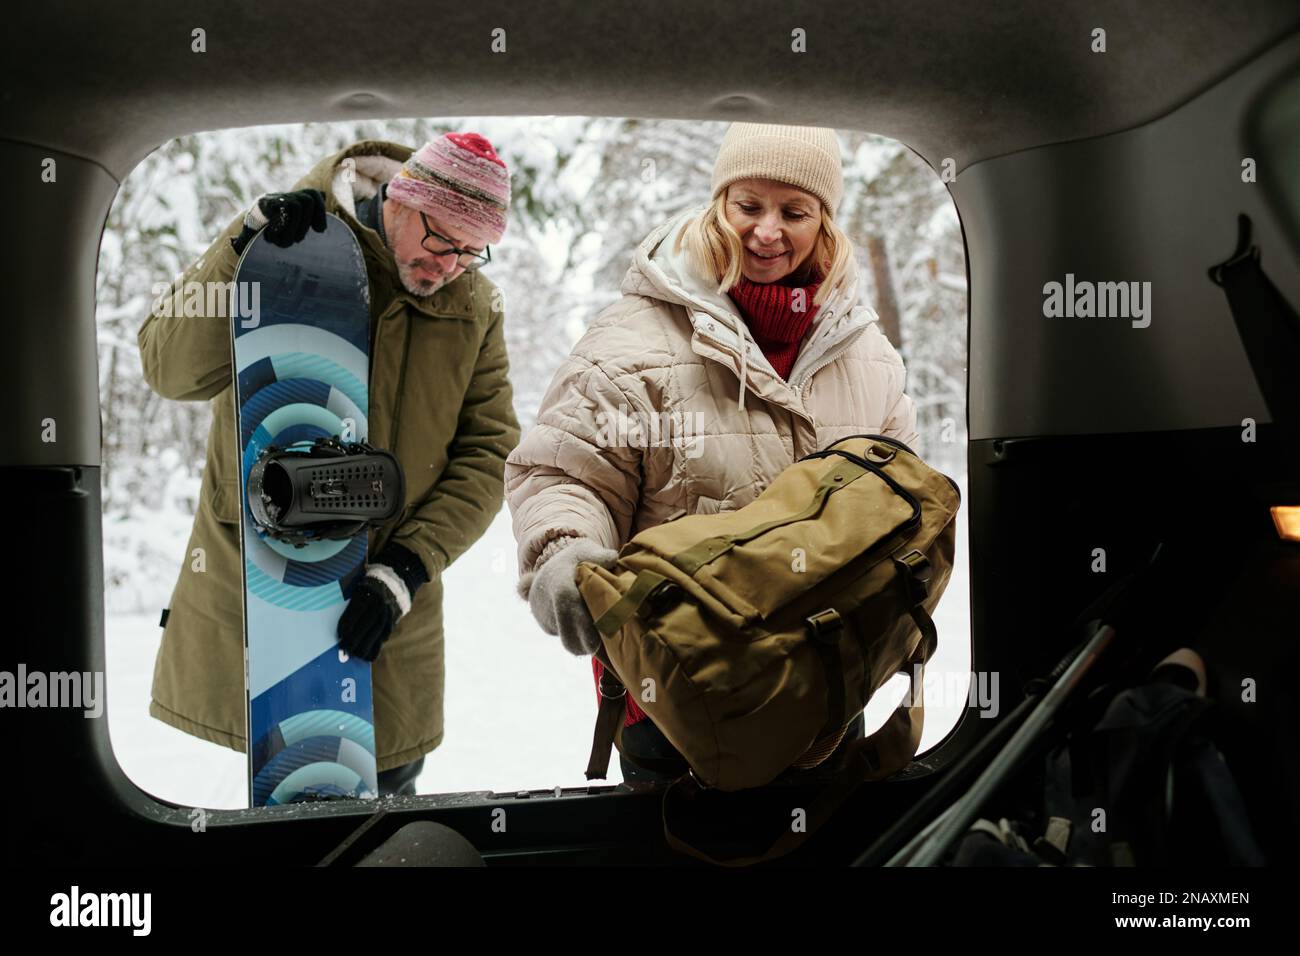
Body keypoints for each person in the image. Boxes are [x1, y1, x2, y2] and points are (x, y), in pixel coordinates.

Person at [506, 122, 919, 784]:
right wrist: (565, 548)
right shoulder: (633, 341)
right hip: (677, 704)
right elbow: (566, 471)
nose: (767, 231)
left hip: (829, 689)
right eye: (748, 205)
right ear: (718, 204)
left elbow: (898, 491)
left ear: (824, 222)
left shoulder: (866, 355)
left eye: (795, 212)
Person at [139, 133, 521, 795]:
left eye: (470, 251)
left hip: (386, 619)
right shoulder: (284, 252)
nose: (448, 266)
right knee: (281, 797)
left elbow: (488, 454)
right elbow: (169, 371)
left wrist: (405, 568)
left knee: (386, 807)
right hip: (262, 596)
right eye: (440, 240)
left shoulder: (475, 307)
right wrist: (242, 246)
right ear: (401, 199)